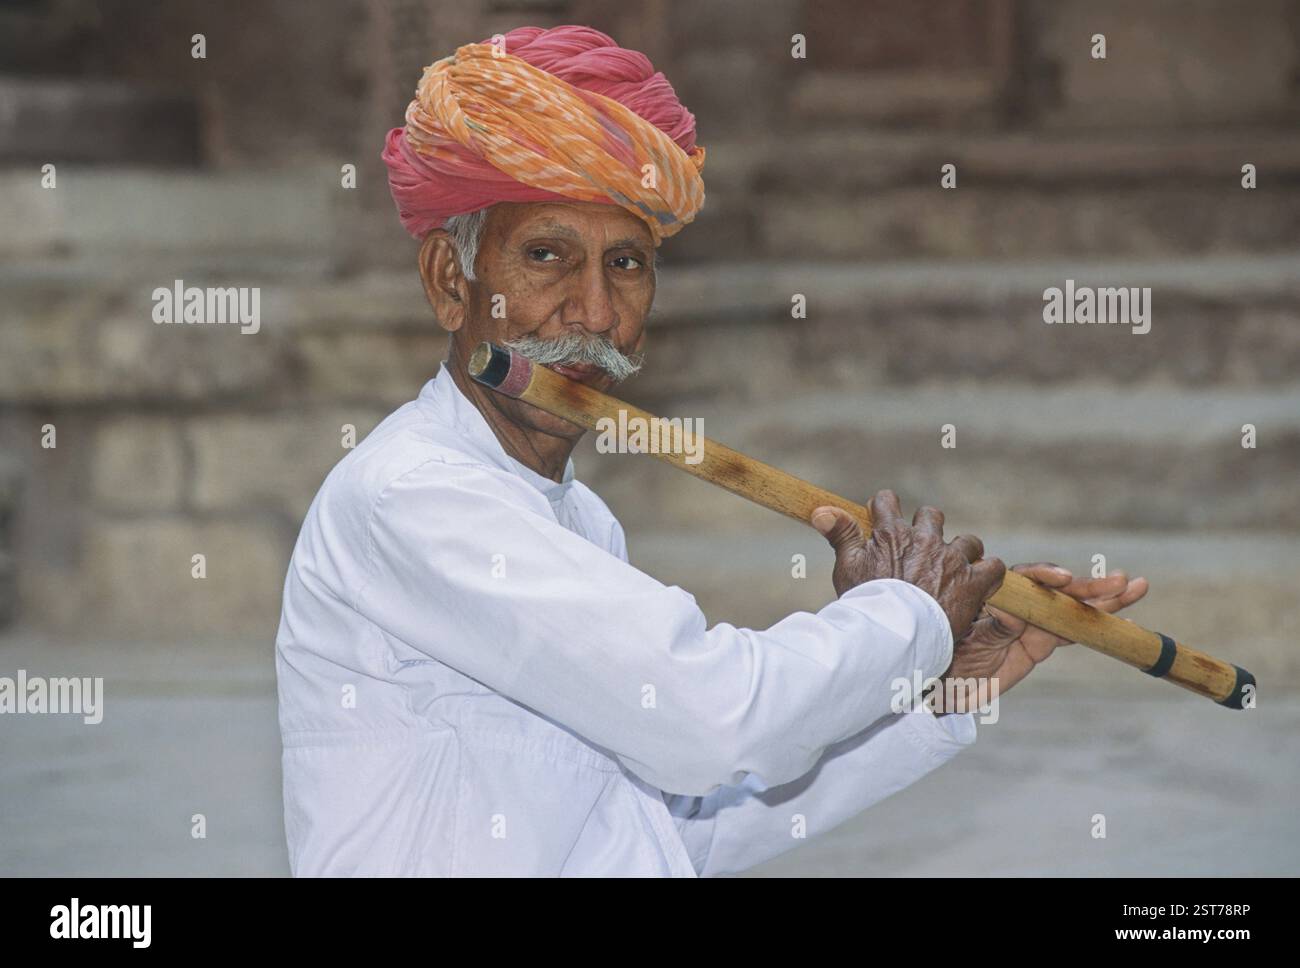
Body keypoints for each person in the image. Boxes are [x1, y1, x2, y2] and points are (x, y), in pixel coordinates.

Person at [275, 25, 1147, 876]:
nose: (594, 313)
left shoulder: (577, 518)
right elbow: (713, 721)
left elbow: (665, 832)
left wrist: (934, 684)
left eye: (625, 264)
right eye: (546, 255)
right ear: (448, 280)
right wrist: (904, 617)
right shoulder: (414, 496)